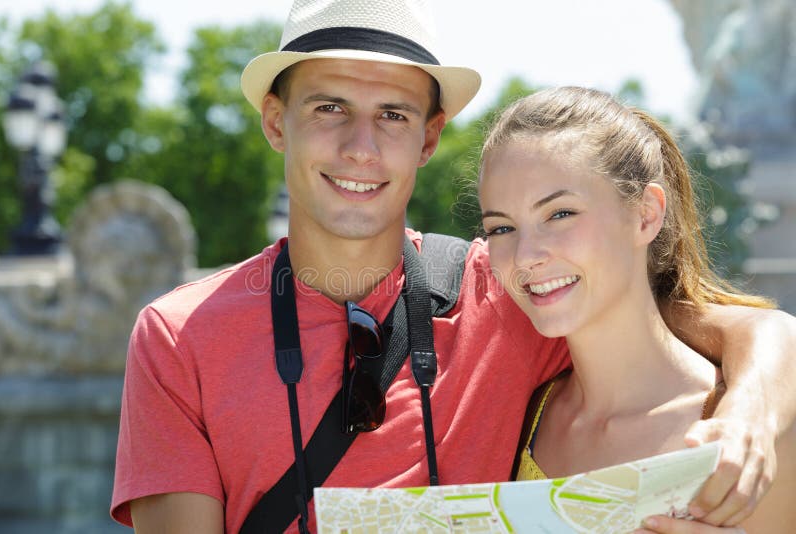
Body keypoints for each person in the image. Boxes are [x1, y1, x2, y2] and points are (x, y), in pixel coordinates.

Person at [111, 1, 796, 533]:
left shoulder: (511, 288)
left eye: (394, 114)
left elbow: (727, 326)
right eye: (329, 108)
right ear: (274, 121)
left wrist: (748, 412)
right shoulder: (177, 339)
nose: (361, 147)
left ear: (430, 137)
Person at [479, 86, 796, 532]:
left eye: (560, 214)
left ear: (646, 215)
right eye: (502, 227)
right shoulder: (522, 417)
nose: (526, 254)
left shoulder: (747, 433)